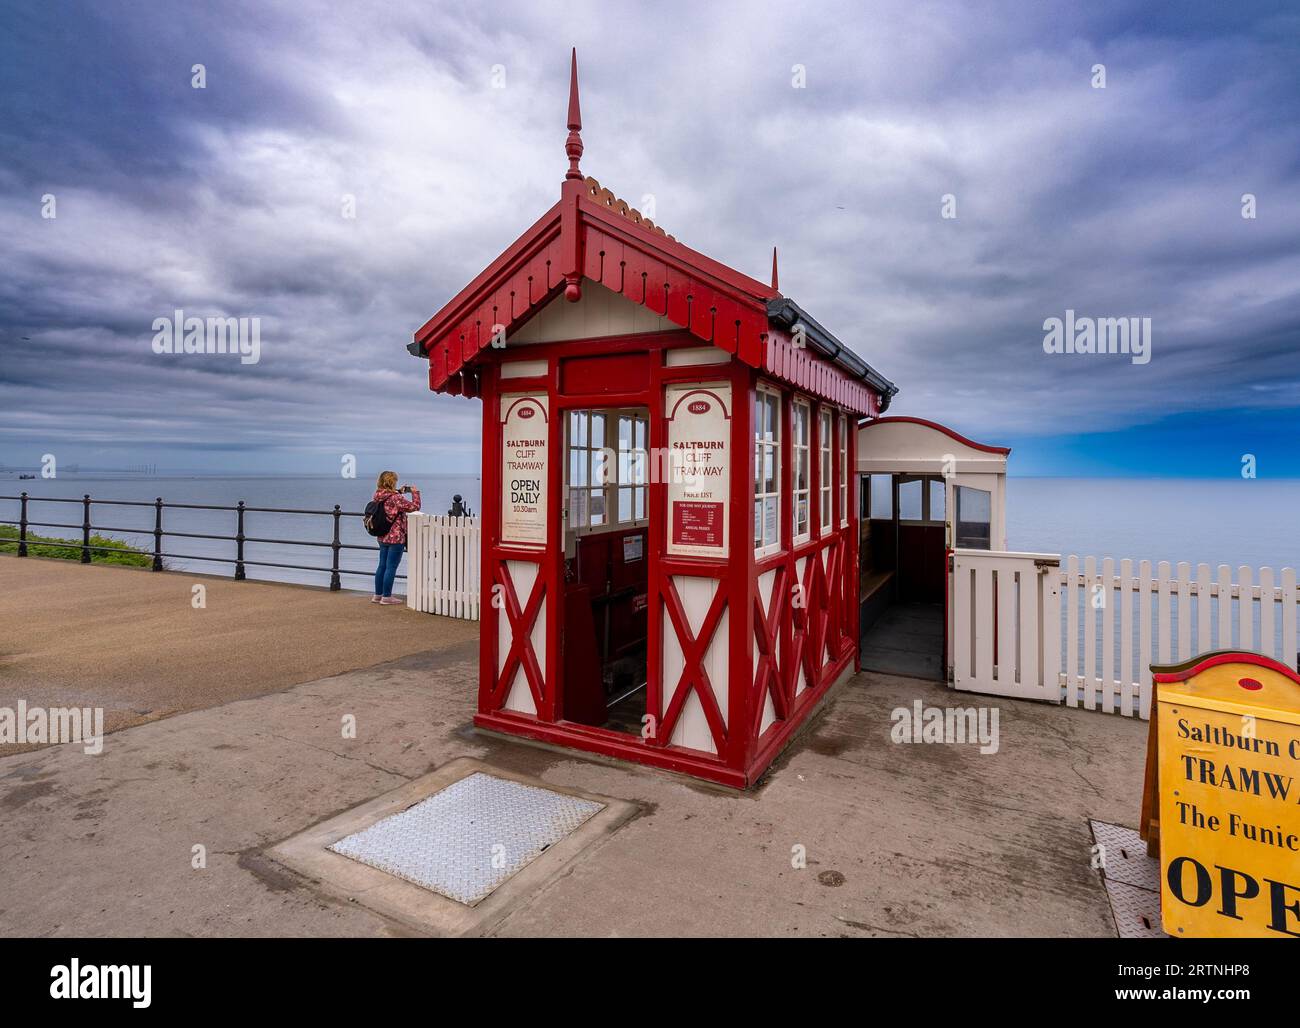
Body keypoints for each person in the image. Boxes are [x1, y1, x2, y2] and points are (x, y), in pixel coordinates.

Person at [371, 471, 420, 604]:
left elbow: (390, 498)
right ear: (392, 482)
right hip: (395, 537)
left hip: (382, 536)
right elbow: (414, 507)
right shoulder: (395, 498)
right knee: (391, 567)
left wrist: (399, 491)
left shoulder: (377, 495)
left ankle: (377, 595)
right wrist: (415, 493)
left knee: (382, 565)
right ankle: (387, 597)